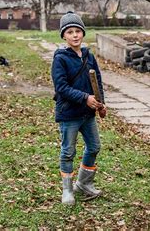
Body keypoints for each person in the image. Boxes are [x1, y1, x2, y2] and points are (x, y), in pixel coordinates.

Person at [51, 11, 107, 205]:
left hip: (87, 113)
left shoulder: (88, 55)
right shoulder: (60, 58)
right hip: (69, 114)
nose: (75, 35)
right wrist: (85, 98)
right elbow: (62, 87)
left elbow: (96, 80)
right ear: (64, 36)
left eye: (78, 31)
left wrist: (101, 103)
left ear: (83, 33)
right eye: (70, 32)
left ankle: (83, 184)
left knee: (94, 147)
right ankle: (67, 190)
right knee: (68, 151)